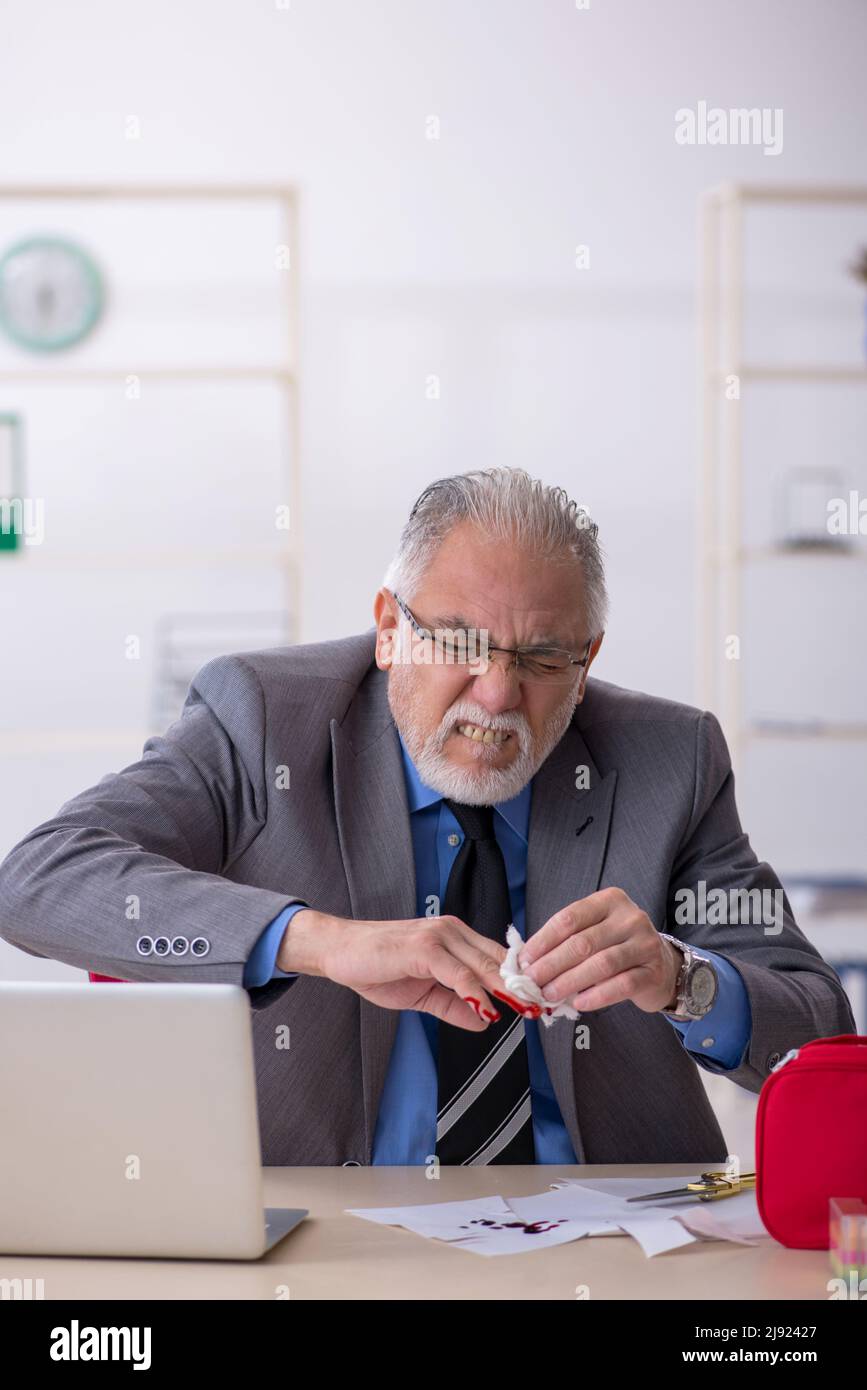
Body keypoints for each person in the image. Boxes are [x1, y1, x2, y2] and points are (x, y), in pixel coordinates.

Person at [0, 468, 854, 1166]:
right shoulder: (262, 719)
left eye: (541, 656)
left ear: (586, 660)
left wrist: (683, 976)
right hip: (325, 1241)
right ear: (387, 630)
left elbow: (818, 1026)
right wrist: (322, 940)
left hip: (615, 1243)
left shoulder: (672, 758)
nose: (495, 693)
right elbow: (41, 879)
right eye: (456, 642)